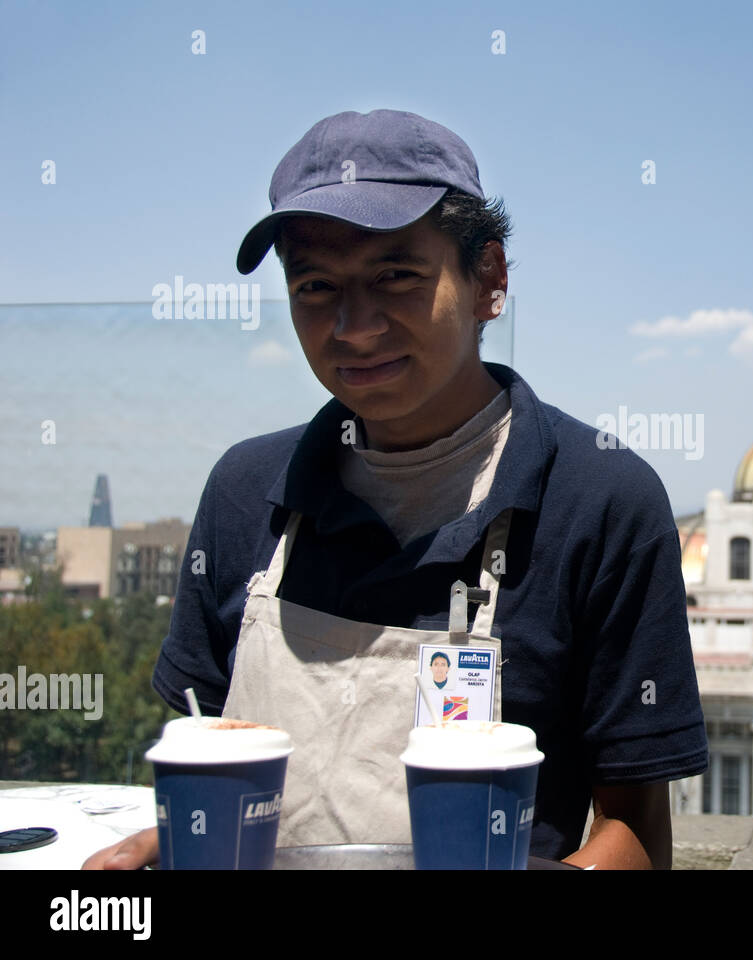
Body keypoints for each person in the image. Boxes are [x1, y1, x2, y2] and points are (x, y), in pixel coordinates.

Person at [83, 109, 708, 870]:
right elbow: (209, 753)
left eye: (396, 277)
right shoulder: (245, 491)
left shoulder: (600, 502)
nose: (354, 326)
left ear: (489, 279)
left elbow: (635, 830)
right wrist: (177, 834)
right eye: (316, 285)